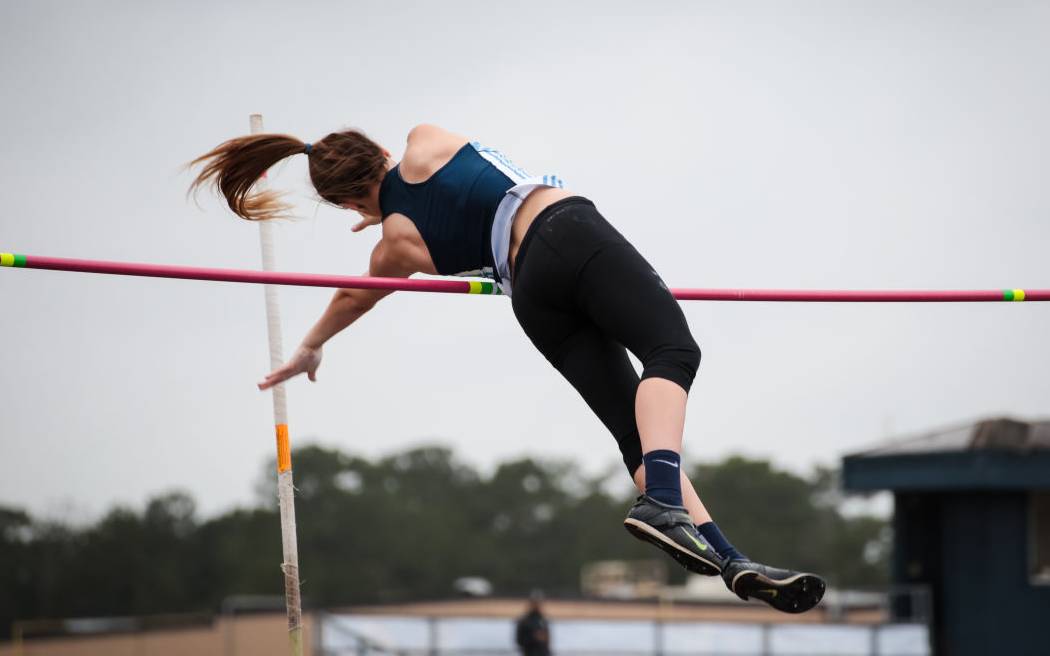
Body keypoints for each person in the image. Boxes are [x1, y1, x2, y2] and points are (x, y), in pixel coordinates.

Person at [189, 124, 826, 613]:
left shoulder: (395, 246)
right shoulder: (421, 140)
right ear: (376, 149)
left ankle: (732, 561)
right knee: (672, 353)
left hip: (532, 296)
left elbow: (358, 293)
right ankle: (661, 500)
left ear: (343, 203)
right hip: (563, 229)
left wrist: (312, 345)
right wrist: (378, 195)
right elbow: (442, 176)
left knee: (634, 433)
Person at [515, 590, 551, 656]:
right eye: (535, 603)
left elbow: (547, 642)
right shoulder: (524, 621)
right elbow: (520, 641)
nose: (537, 605)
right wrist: (534, 637)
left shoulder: (543, 619)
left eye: (539, 603)